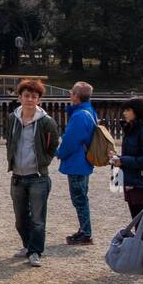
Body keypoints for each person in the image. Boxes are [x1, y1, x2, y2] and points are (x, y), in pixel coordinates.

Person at [5, 78, 59, 267]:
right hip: (17, 176)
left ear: (39, 100)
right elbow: (9, 141)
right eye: (26, 96)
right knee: (20, 219)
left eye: (34, 97)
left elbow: (53, 145)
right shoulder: (13, 119)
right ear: (19, 97)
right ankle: (28, 245)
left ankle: (36, 251)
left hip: (38, 177)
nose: (29, 100)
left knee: (37, 218)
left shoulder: (46, 122)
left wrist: (44, 161)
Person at [58, 81, 98, 245]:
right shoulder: (89, 111)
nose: (69, 95)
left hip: (77, 162)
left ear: (75, 96)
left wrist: (59, 152)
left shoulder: (79, 115)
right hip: (84, 160)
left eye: (71, 92)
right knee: (82, 196)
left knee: (79, 198)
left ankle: (86, 232)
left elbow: (70, 140)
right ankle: (84, 230)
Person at [111, 96, 143, 218]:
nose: (124, 113)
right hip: (133, 179)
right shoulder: (132, 130)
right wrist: (117, 158)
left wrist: (122, 160)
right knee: (136, 219)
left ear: (137, 111)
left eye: (128, 110)